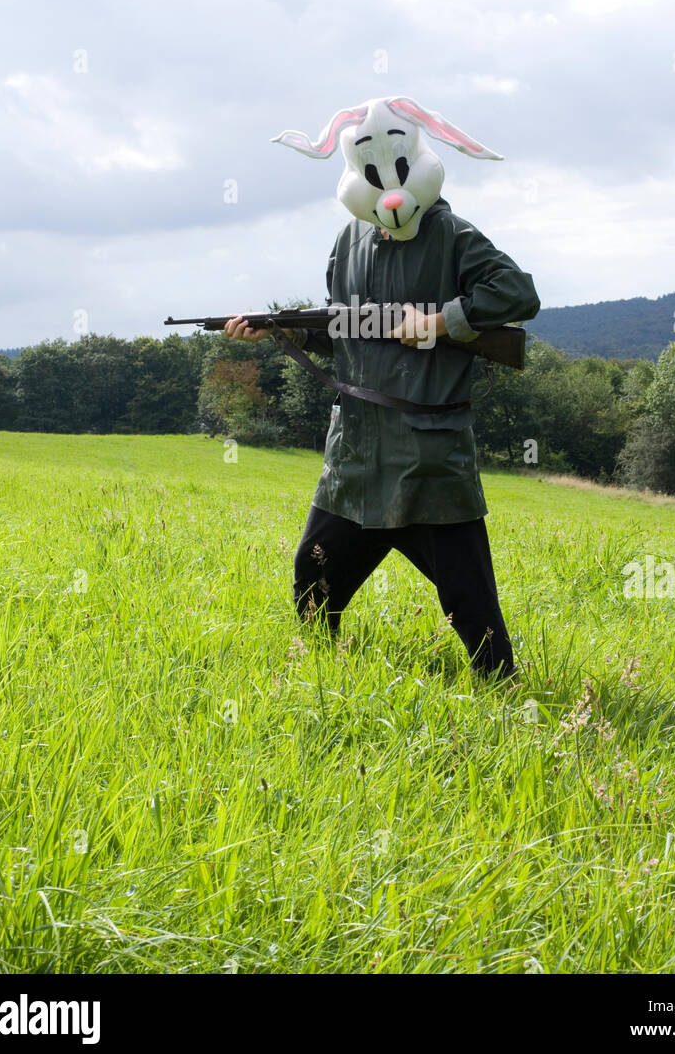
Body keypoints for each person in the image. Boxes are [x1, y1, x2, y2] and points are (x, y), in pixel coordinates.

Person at [225, 95, 540, 683]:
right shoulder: (348, 243)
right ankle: (320, 677)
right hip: (356, 456)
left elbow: (519, 293)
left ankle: (502, 693)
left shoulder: (453, 234)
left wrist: (441, 322)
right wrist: (273, 334)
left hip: (430, 457)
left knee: (469, 600)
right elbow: (344, 337)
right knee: (313, 580)